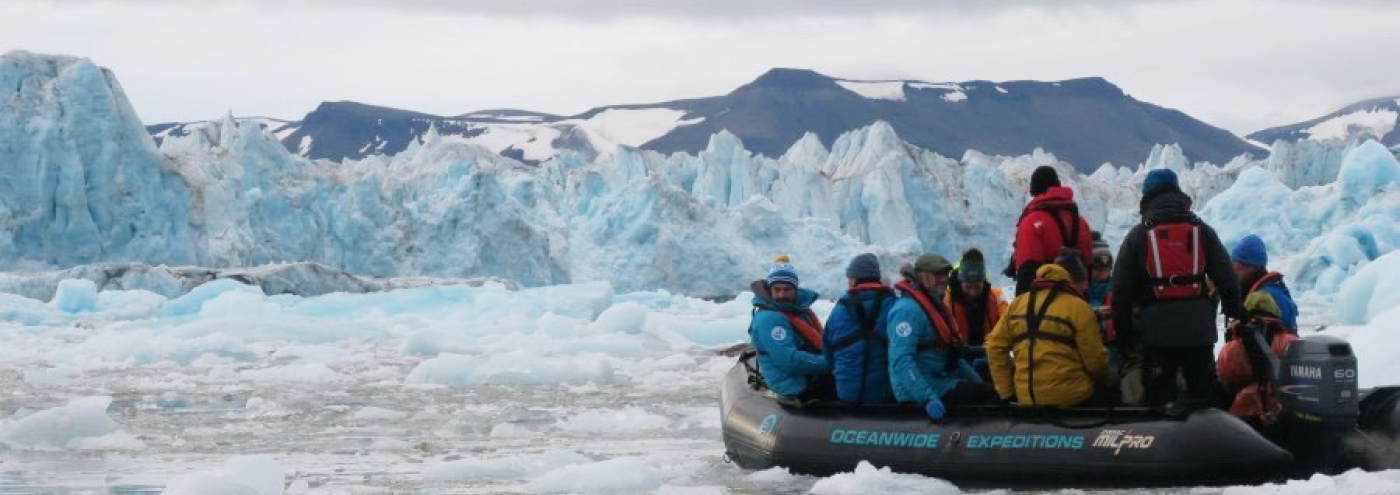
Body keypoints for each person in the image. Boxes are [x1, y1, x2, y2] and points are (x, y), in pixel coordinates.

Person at [1111, 169, 1246, 411]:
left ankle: (1161, 443)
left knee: (1158, 400)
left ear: (1147, 196)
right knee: (1204, 395)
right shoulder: (1201, 230)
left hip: (1158, 333)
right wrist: (1234, 313)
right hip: (1199, 331)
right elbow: (1227, 278)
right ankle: (1214, 443)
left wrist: (1124, 339)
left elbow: (1121, 292)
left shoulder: (1139, 235)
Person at [986, 251, 1111, 407]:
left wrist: (1006, 393)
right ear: (1071, 281)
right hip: (1071, 398)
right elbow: (1096, 362)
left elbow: (994, 347)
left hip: (1026, 398)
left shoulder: (1018, 304)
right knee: (1111, 394)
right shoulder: (1079, 308)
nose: (1085, 288)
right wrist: (1106, 379)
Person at [888, 254, 999, 420]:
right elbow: (901, 360)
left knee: (989, 391)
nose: (944, 279)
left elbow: (952, 353)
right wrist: (927, 398)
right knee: (987, 396)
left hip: (940, 380)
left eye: (945, 275)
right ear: (922, 277)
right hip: (918, 388)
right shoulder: (907, 311)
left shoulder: (935, 306)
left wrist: (978, 381)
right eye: (937, 275)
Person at [748, 255, 830, 400]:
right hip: (794, 385)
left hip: (810, 376)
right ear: (770, 289)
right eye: (777, 289)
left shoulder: (797, 310)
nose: (781, 295)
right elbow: (789, 360)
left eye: (787, 290)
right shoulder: (769, 319)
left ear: (795, 290)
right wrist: (832, 363)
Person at [1006, 166, 1096, 296]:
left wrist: (1022, 308)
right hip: (1075, 302)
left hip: (1044, 305)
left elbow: (1027, 270)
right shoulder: (1081, 223)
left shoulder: (1032, 222)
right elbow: (1087, 266)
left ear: (1033, 191)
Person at [824, 253, 897, 404]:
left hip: (847, 394)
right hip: (884, 396)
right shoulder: (893, 306)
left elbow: (828, 354)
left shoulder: (839, 310)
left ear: (855, 279)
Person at [1217, 292, 1298, 427]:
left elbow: (1224, 378)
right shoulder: (1293, 344)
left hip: (1244, 416)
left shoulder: (1235, 346)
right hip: (1283, 414)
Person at [1231, 235, 1300, 333]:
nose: (1233, 273)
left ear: (1251, 267)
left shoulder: (1261, 298)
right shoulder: (1275, 290)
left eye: (1237, 267)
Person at [945, 248, 1007, 347]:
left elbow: (1008, 326)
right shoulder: (947, 301)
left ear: (983, 282)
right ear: (960, 282)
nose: (973, 292)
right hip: (958, 356)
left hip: (990, 354)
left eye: (977, 287)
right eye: (968, 287)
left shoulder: (997, 298)